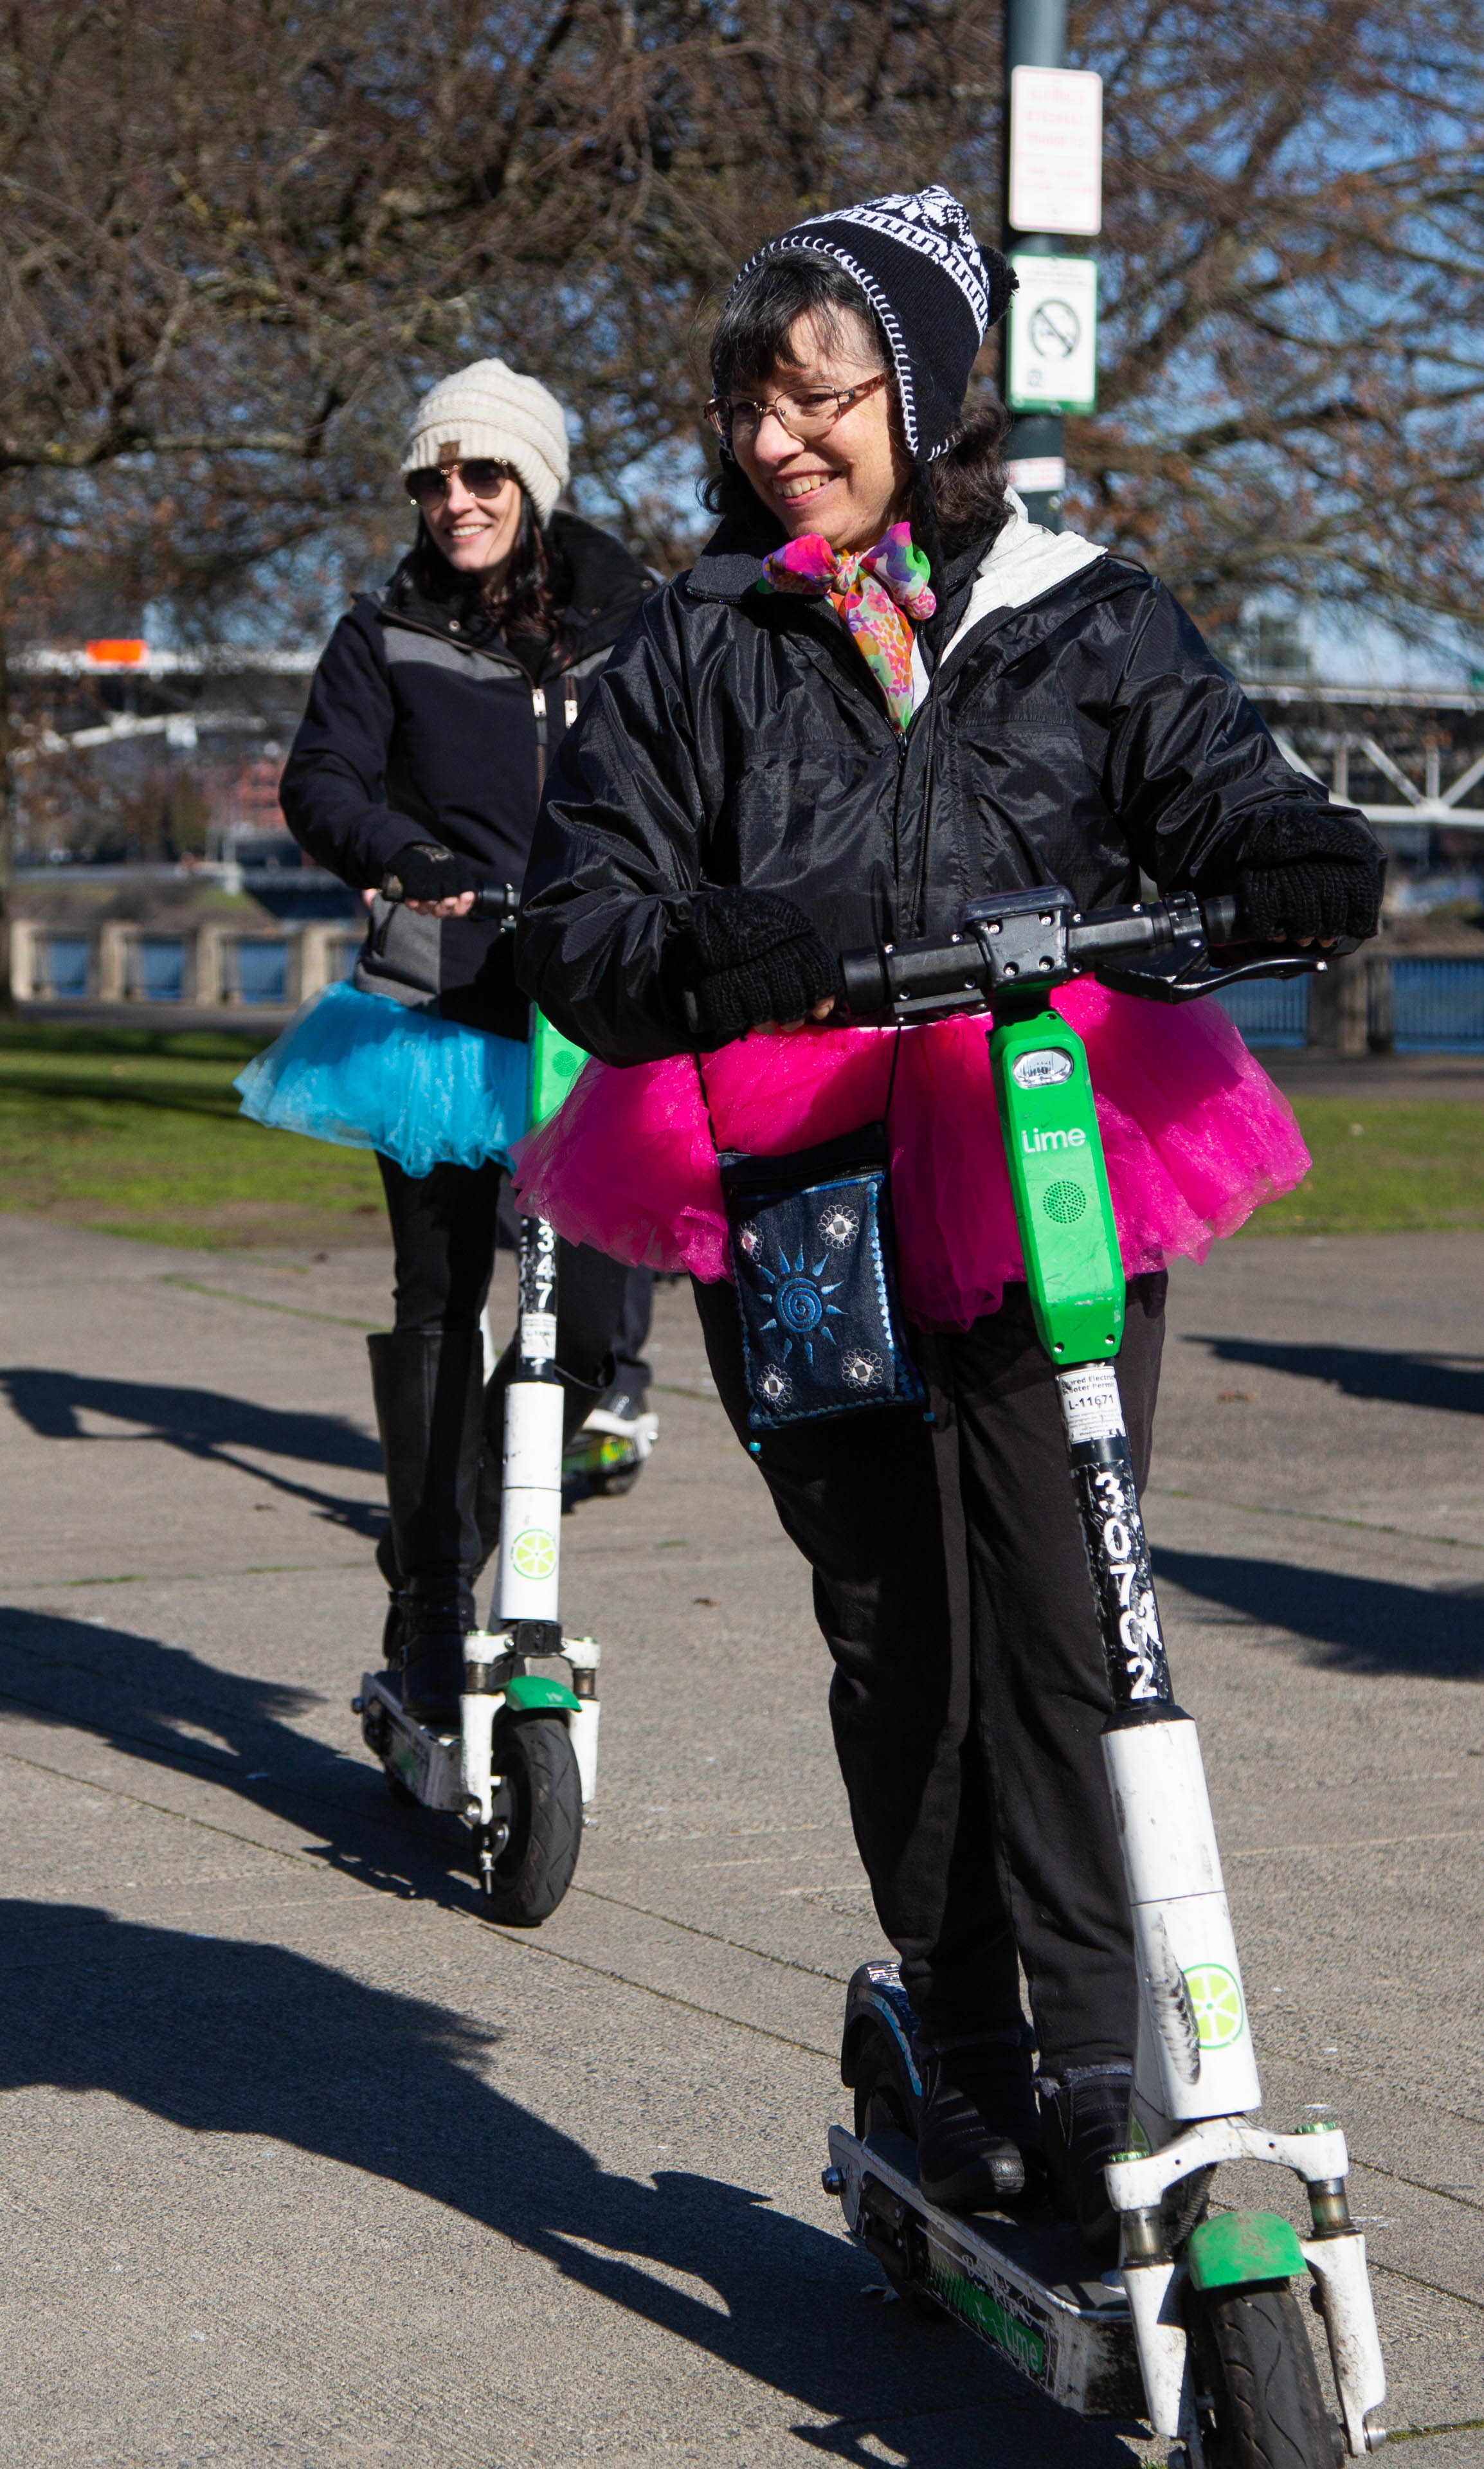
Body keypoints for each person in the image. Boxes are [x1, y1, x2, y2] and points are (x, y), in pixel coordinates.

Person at [509, 188, 1383, 2252]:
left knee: (1070, 1604)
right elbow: (587, 930)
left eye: (819, 397)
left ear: (926, 391)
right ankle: (969, 2046)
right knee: (898, 1621)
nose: (772, 441)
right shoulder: (691, 647)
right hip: (801, 1173)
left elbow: (1215, 784)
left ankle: (1098, 2053)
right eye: (746, 403)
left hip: (1045, 1153)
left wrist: (1287, 852)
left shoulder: (1082, 608)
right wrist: (738, 942)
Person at [237, 358, 658, 1728]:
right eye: (433, 478)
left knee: (589, 1333)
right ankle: (429, 1609)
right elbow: (322, 781)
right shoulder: (384, 632)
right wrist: (402, 852)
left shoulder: (636, 621)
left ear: (534, 482)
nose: (454, 500)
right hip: (437, 1007)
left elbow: (693, 774)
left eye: (482, 475)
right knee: (441, 1305)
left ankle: (446, 1531)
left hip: (590, 1010)